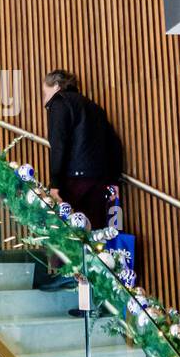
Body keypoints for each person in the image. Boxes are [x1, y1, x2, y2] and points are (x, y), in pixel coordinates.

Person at [39, 68, 124, 292]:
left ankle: (66, 273)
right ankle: (92, 296)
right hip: (99, 180)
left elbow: (59, 144)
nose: (44, 98)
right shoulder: (94, 107)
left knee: (61, 225)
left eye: (44, 92)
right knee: (93, 238)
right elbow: (114, 144)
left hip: (74, 180)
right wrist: (112, 179)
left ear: (56, 87)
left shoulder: (59, 103)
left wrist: (55, 183)